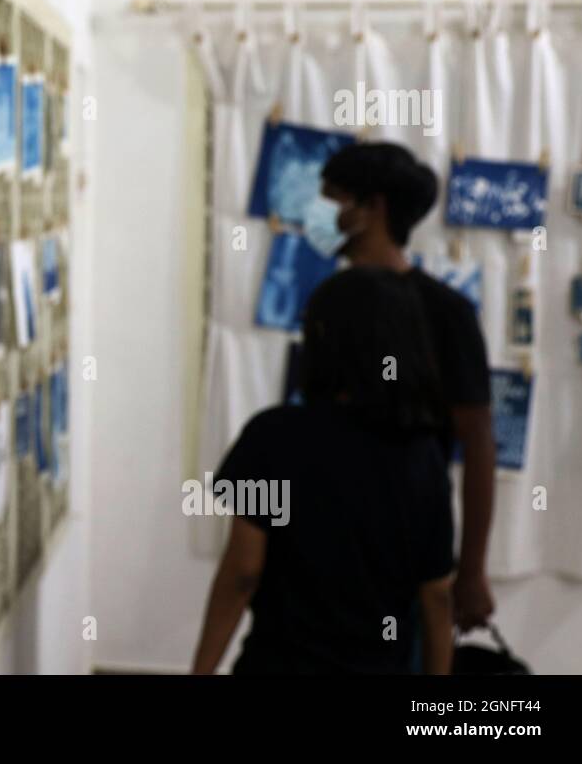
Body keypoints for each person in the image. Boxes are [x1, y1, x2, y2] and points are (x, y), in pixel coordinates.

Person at [191, 268, 454, 674]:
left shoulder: (271, 437)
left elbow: (243, 572)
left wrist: (201, 670)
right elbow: (436, 596)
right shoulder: (424, 458)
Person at [303, 142, 496, 631]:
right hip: (323, 542)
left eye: (332, 198)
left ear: (373, 208)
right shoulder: (327, 303)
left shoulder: (447, 312)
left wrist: (471, 570)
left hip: (407, 546)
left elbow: (476, 441)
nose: (318, 212)